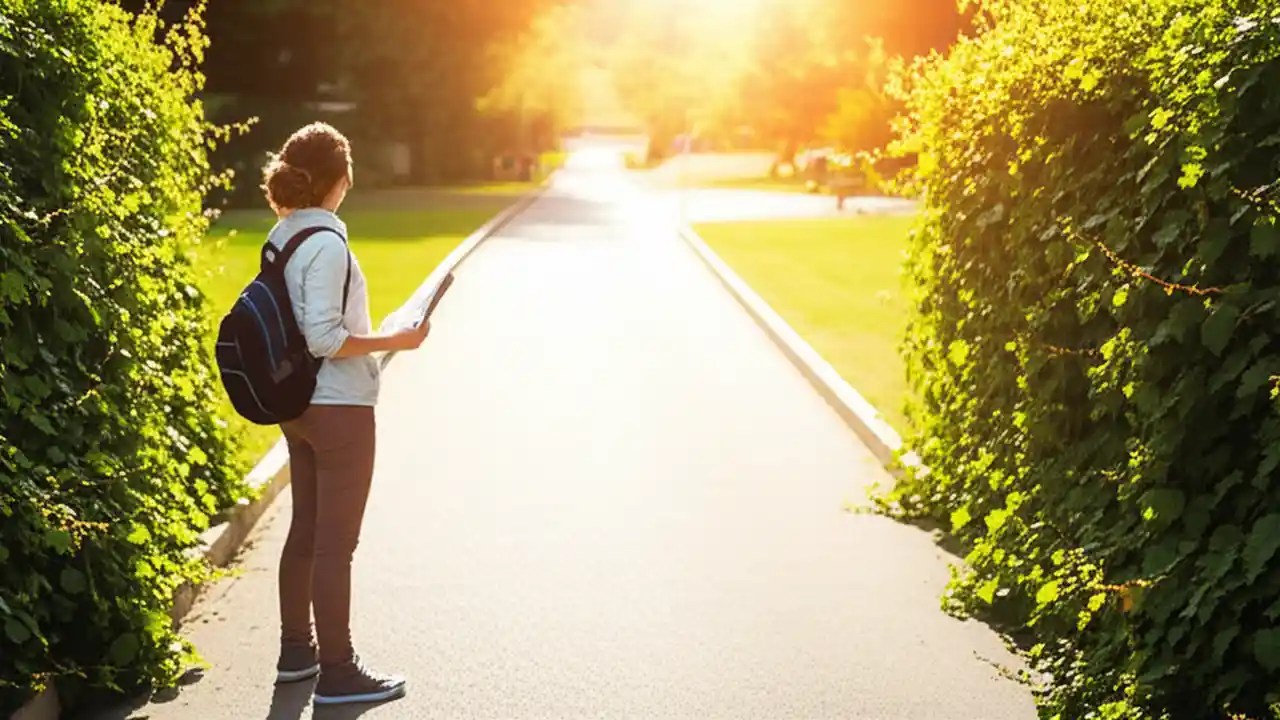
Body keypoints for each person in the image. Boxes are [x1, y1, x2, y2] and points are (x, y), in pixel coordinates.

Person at [259, 122, 427, 706]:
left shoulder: (283, 235)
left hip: (299, 408)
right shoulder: (329, 243)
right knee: (336, 545)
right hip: (339, 407)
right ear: (340, 179)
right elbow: (327, 338)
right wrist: (395, 342)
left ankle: (296, 655)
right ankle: (338, 673)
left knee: (305, 533)